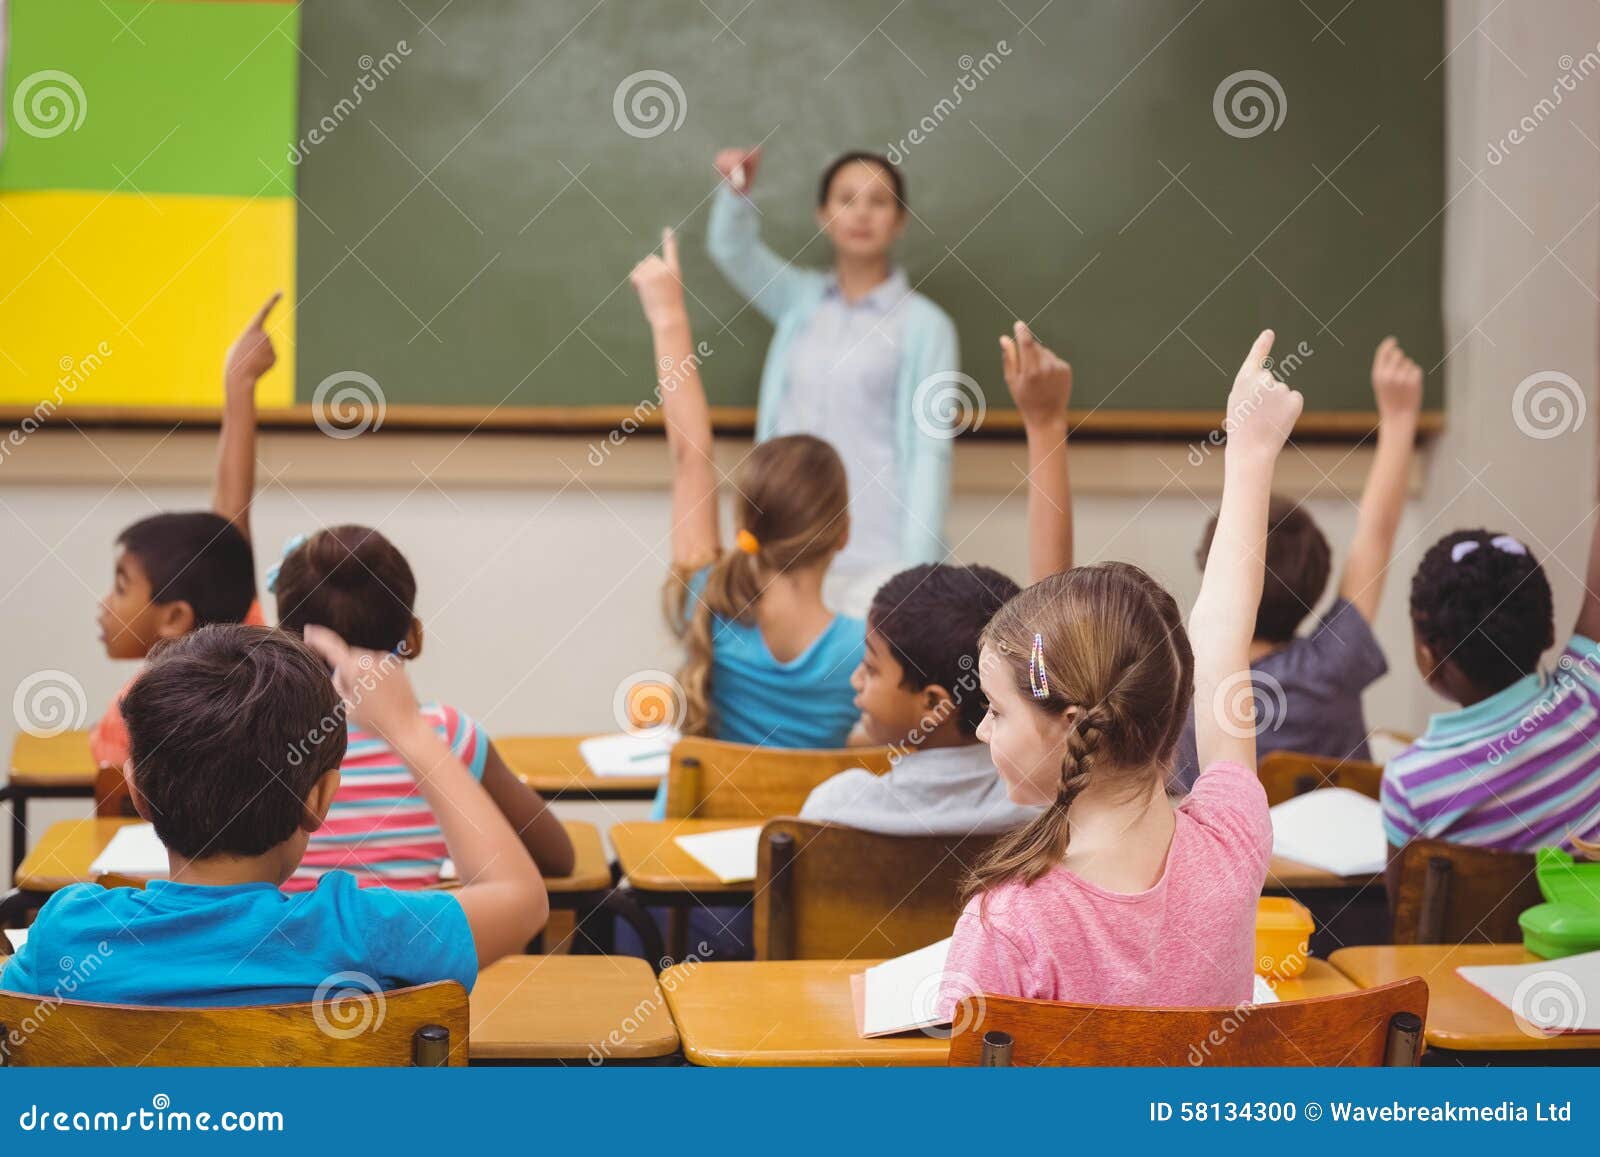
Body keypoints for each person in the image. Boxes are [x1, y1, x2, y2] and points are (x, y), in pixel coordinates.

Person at [939, 331, 1298, 1010]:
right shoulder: (1234, 836)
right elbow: (1223, 637)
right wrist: (1251, 455)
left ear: (1070, 724)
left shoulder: (1006, 927)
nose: (983, 730)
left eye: (996, 708)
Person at [2, 624, 545, 1005]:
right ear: (320, 800)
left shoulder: (68, 935)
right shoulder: (366, 935)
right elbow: (522, 899)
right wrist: (411, 732)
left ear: (137, 793)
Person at [799, 322, 1072, 836]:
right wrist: (1047, 423)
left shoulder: (835, 810)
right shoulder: (1038, 808)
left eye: (872, 669)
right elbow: (1047, 629)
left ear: (932, 705)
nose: (856, 680)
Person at [631, 228, 864, 821]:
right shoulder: (869, 655)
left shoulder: (704, 602)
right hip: (796, 897)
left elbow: (692, 452)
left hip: (682, 896)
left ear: (746, 520)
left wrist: (668, 313)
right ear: (843, 534)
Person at [707, 146, 960, 613]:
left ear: (900, 220)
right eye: (847, 199)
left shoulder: (926, 327)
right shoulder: (798, 303)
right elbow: (732, 250)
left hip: (880, 555)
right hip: (786, 547)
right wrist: (736, 194)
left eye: (879, 202)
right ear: (823, 215)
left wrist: (918, 571)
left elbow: (931, 450)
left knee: (868, 684)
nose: (861, 213)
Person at [1170, 338, 1424, 791]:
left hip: (1234, 863)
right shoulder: (1331, 664)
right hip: (1350, 864)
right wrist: (1400, 417)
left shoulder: (1189, 691)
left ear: (1215, 572)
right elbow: (1376, 536)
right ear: (1316, 583)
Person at [270, 524, 575, 889]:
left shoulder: (253, 739)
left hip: (286, 946)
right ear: (413, 638)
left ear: (285, 643)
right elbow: (558, 858)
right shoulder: (448, 735)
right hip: (416, 944)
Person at [89, 295, 281, 769]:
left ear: (175, 618)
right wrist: (239, 385)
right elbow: (229, 523)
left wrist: (238, 383)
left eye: (120, 588)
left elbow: (112, 798)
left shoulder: (132, 716)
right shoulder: (252, 659)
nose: (104, 605)